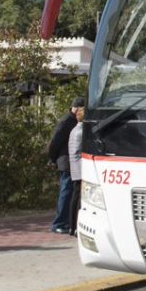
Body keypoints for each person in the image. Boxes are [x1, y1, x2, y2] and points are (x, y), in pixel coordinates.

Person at [48, 97, 85, 234]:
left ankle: (66, 221)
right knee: (66, 192)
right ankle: (59, 223)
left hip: (70, 161)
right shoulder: (66, 122)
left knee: (69, 193)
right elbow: (54, 143)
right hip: (66, 161)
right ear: (77, 108)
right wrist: (54, 159)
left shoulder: (74, 121)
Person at [66, 104, 85, 236]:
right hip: (80, 167)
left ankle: (72, 226)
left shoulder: (74, 130)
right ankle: (76, 226)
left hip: (74, 166)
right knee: (78, 199)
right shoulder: (82, 131)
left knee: (75, 197)